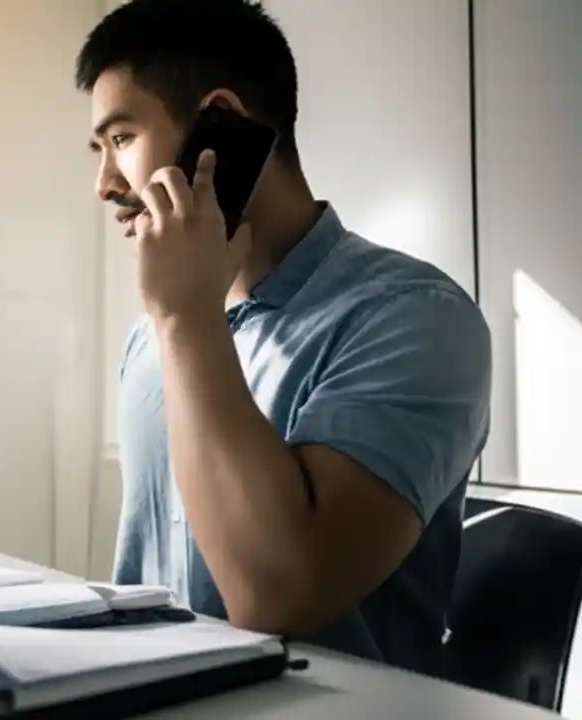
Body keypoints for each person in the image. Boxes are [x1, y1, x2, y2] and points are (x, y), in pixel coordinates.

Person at [76, 0, 491, 675]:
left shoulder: (416, 319)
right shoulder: (151, 338)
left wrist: (186, 319)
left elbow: (275, 598)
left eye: (120, 139)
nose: (103, 183)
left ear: (222, 126)